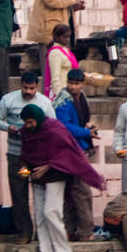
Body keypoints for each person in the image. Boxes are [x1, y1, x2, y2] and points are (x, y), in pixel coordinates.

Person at [19, 103, 106, 252]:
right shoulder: (26, 132)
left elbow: (64, 153)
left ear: (38, 119)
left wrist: (46, 168)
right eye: (26, 122)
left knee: (51, 212)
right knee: (40, 217)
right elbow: (26, 153)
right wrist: (25, 169)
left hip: (55, 175)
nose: (28, 125)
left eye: (31, 122)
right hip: (37, 178)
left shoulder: (54, 129)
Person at [0, 70, 53, 243]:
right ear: (21, 85)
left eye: (32, 88)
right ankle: (24, 232)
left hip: (38, 158)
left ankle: (42, 234)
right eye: (26, 88)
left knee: (41, 194)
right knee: (19, 193)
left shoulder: (44, 102)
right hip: (17, 157)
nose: (29, 92)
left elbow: (53, 126)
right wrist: (7, 127)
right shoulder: (8, 100)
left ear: (37, 87)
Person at [52, 67, 97, 241]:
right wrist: (86, 133)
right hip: (69, 150)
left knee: (74, 191)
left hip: (79, 148)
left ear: (82, 84)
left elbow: (80, 123)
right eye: (71, 83)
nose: (73, 87)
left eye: (77, 84)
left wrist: (88, 129)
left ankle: (72, 230)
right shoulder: (63, 102)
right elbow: (64, 127)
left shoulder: (82, 98)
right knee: (81, 190)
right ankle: (84, 231)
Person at [42, 23, 79, 103]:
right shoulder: (55, 53)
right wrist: (61, 97)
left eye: (69, 37)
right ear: (56, 37)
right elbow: (55, 78)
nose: (67, 39)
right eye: (65, 37)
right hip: (61, 93)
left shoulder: (65, 50)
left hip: (70, 90)